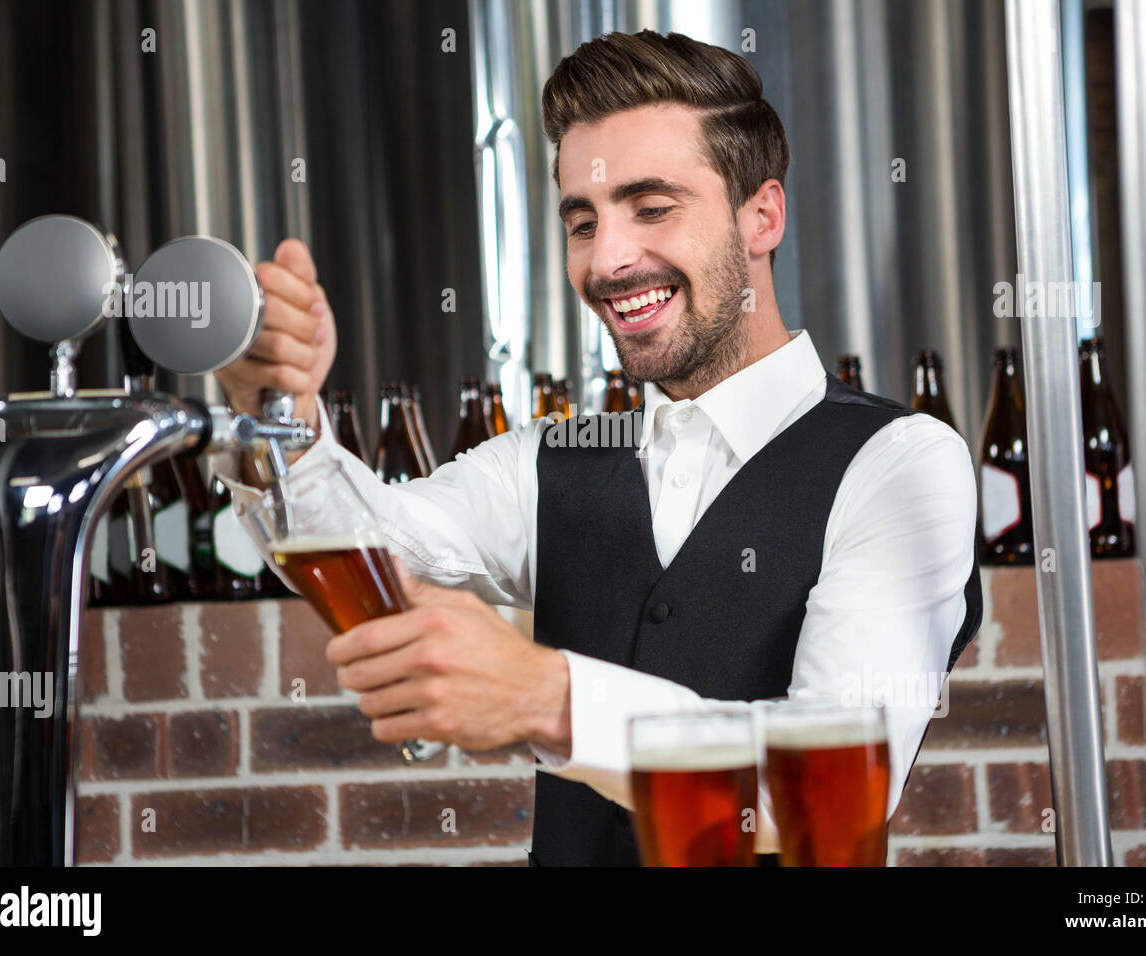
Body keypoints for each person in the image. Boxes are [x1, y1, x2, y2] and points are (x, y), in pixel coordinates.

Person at [215, 29, 981, 866]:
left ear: (761, 216)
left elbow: (833, 780)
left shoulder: (900, 462)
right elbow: (369, 555)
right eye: (583, 222)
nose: (610, 259)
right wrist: (277, 414)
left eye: (653, 209)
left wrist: (552, 699)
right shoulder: (548, 463)